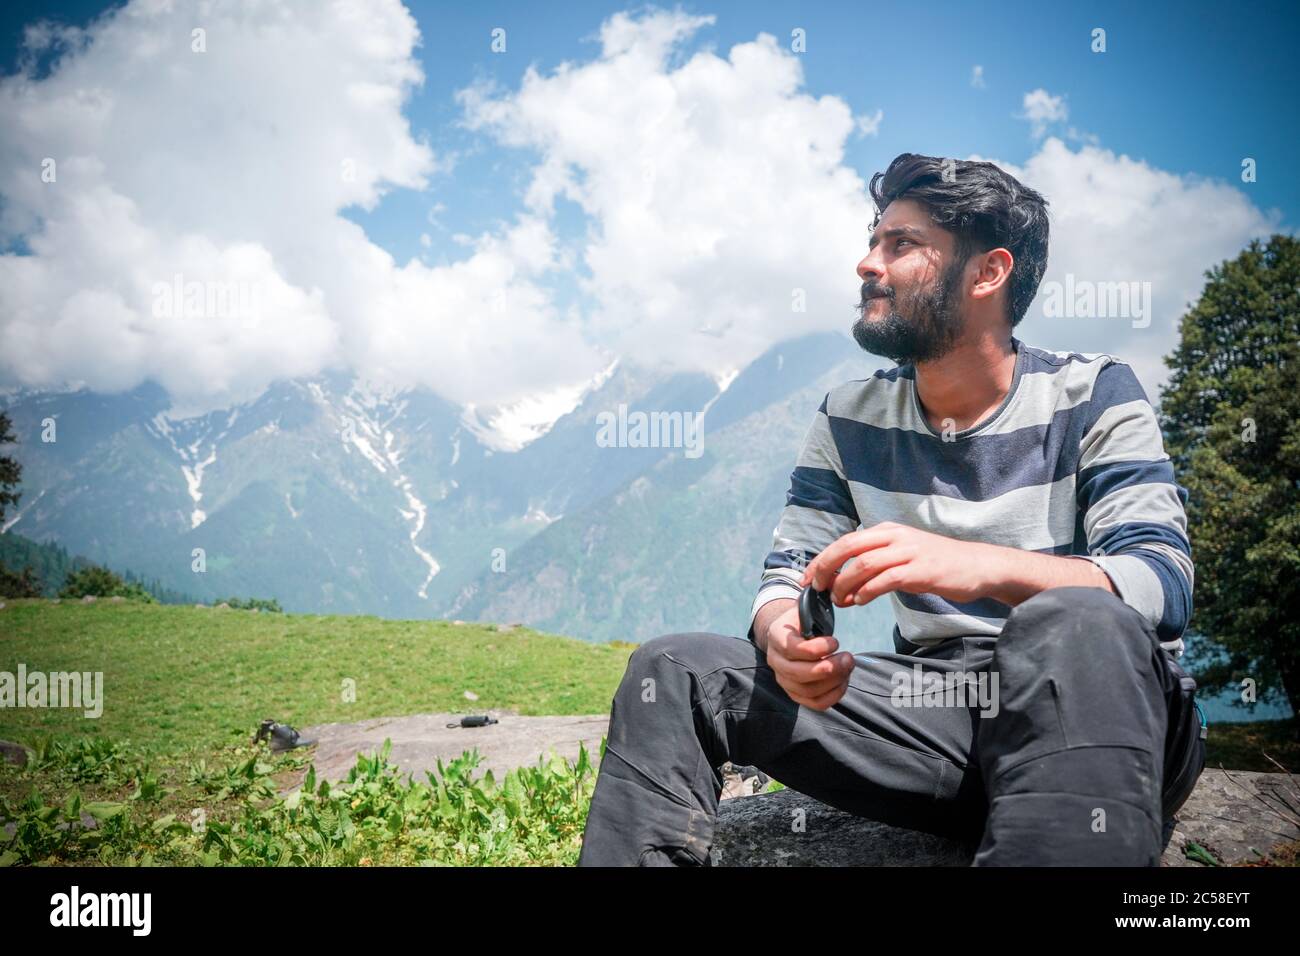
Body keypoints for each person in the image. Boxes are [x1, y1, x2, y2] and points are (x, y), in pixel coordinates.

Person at [576, 153, 1205, 867]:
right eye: (875, 240)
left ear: (987, 273)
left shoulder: (1095, 393)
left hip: (1103, 710)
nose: (866, 264)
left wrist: (976, 566)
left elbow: (1161, 582)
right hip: (940, 718)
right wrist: (786, 638)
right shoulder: (850, 415)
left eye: (900, 245)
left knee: (1072, 619)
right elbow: (786, 573)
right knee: (676, 669)